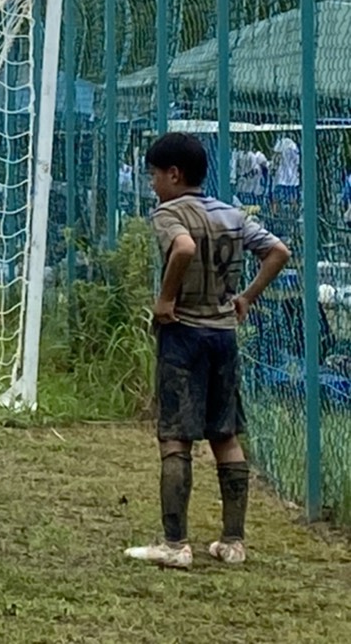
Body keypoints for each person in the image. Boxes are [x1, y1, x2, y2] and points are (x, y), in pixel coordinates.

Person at [125, 132, 290, 570]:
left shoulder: (169, 213)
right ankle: (232, 541)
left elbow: (183, 247)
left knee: (175, 435)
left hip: (185, 332)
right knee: (225, 434)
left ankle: (175, 543)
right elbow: (277, 251)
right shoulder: (231, 213)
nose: (153, 185)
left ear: (174, 174)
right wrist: (247, 297)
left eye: (155, 176)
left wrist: (165, 298)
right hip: (223, 334)